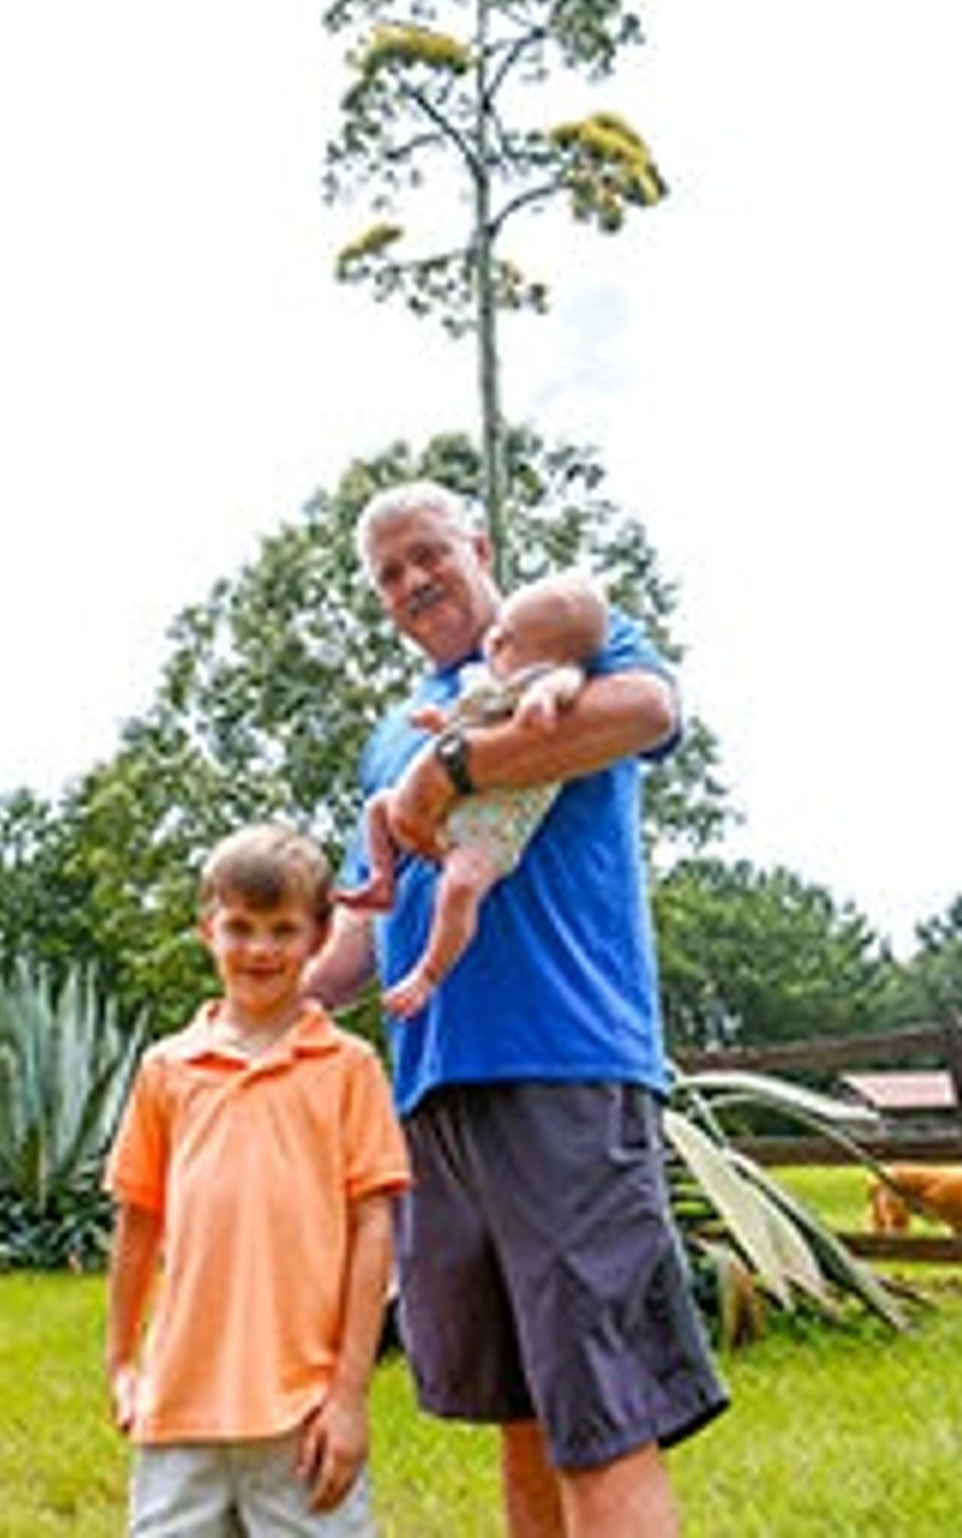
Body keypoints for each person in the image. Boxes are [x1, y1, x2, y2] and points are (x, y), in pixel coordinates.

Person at [307, 482, 728, 1538]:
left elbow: (647, 713)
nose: (412, 583)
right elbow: (366, 927)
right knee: (526, 1412)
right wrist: (261, 1002)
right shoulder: (384, 737)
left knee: (602, 1411)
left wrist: (446, 771)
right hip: (437, 1085)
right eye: (388, 575)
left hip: (562, 1062)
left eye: (426, 554)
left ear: (479, 545)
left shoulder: (567, 644)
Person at [104, 821, 411, 1538]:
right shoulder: (166, 1070)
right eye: (240, 926)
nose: (261, 949)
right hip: (177, 1409)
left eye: (282, 928)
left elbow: (375, 1232)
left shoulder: (349, 1069)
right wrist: (122, 1363)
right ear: (207, 928)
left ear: (320, 934)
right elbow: (137, 1221)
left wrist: (349, 1397)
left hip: (304, 1415)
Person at [336, 569, 608, 1019]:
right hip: (448, 815)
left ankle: (429, 971)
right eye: (497, 634)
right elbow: (466, 721)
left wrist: (542, 699)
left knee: (461, 886)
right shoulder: (484, 682)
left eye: (510, 638)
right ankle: (383, 882)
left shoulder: (552, 677)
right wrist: (437, 723)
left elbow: (565, 687)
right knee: (378, 807)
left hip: (490, 827)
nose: (494, 643)